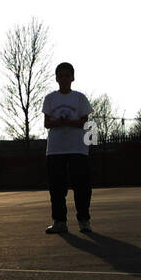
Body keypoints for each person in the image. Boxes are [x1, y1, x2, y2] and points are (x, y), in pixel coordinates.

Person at [42, 62, 94, 234]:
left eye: (67, 75)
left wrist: (69, 122)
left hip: (77, 148)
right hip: (56, 149)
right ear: (56, 78)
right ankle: (59, 221)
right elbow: (47, 123)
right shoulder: (50, 98)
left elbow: (85, 122)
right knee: (57, 187)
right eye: (60, 76)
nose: (64, 79)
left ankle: (84, 221)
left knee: (81, 186)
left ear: (72, 77)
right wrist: (58, 122)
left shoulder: (79, 98)